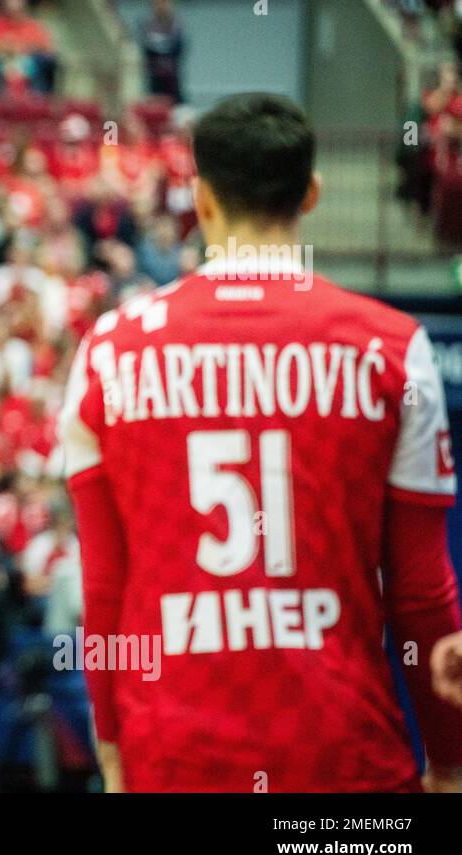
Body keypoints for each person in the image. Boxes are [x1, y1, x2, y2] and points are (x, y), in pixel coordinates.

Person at [59, 93, 462, 792]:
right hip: (344, 758)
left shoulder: (107, 353)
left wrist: (115, 746)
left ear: (201, 199)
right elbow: (423, 592)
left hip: (174, 756)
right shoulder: (394, 349)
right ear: (311, 193)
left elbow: (105, 589)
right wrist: (450, 759)